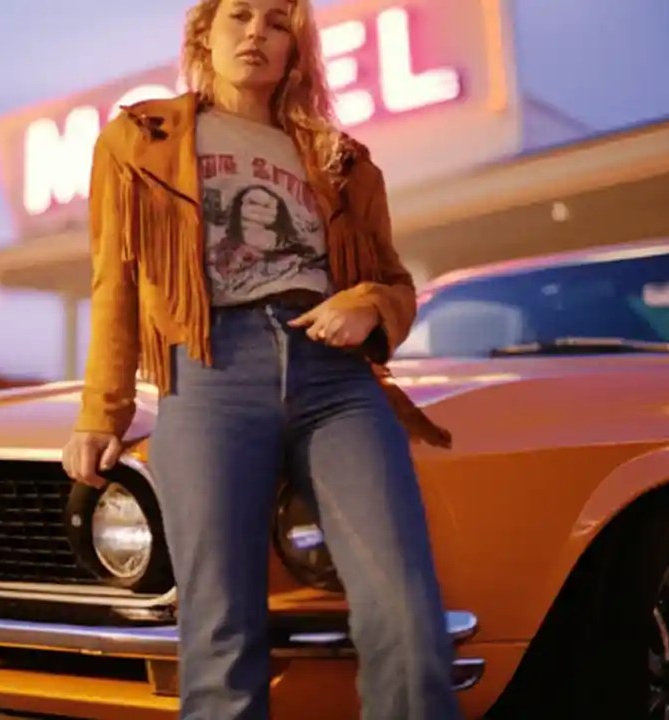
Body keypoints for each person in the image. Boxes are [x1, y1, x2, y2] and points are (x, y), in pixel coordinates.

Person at [61, 0, 460, 717]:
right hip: (210, 367)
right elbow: (112, 278)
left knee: (406, 611)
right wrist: (103, 410)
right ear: (203, 36)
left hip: (334, 377)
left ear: (294, 48)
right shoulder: (141, 138)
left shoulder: (343, 160)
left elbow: (397, 283)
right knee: (220, 633)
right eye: (239, 15)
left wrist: (366, 303)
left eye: (277, 21)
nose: (256, 33)